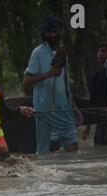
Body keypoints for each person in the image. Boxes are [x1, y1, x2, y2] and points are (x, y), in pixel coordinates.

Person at [23, 17, 82, 155]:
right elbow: (26, 80)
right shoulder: (37, 53)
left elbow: (66, 85)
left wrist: (75, 108)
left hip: (64, 109)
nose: (54, 35)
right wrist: (48, 74)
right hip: (44, 109)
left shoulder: (63, 53)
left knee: (73, 148)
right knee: (43, 152)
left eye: (57, 31)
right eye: (51, 32)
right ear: (45, 34)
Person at [82, 43, 107, 145]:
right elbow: (93, 102)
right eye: (99, 51)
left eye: (104, 51)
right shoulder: (95, 76)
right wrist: (88, 125)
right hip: (103, 118)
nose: (100, 54)